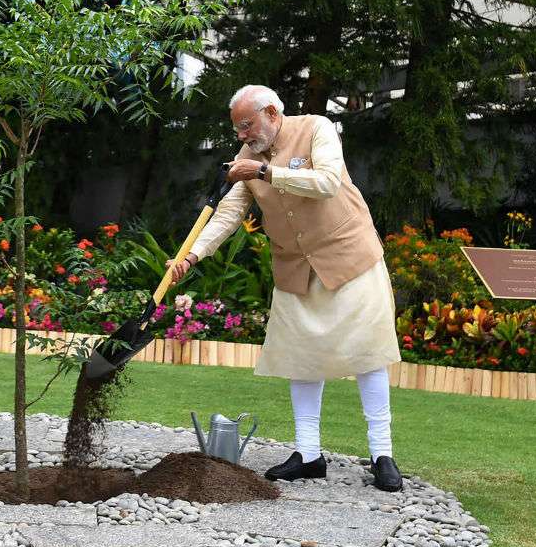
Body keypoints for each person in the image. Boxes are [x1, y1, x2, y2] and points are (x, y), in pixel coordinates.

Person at [168, 85, 403, 492]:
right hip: (294, 267)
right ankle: (309, 455)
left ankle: (382, 454)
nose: (242, 135)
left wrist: (264, 171)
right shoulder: (245, 157)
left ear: (273, 113)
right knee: (300, 358)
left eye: (247, 125)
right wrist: (193, 256)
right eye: (237, 128)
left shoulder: (317, 128)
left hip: (350, 257)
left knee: (369, 353)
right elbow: (228, 214)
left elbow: (327, 182)